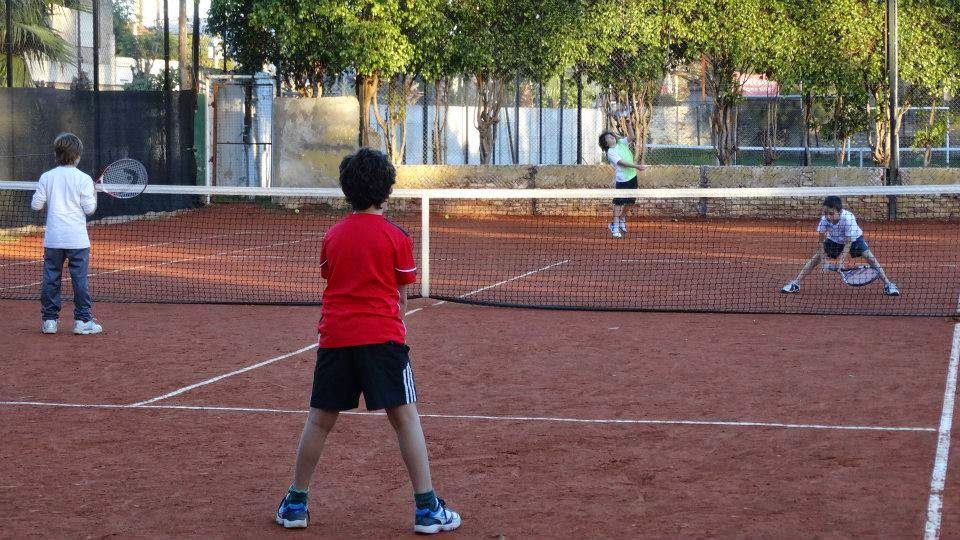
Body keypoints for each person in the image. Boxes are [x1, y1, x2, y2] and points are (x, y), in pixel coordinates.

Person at [275, 148, 461, 534]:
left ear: (347, 190)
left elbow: (332, 278)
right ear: (387, 189)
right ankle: (427, 509)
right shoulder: (397, 237)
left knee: (319, 421)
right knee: (405, 419)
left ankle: (296, 502)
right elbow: (402, 293)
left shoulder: (333, 235)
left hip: (336, 339)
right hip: (383, 341)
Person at [30, 133, 103, 335]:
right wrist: (94, 193)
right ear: (78, 155)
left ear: (57, 154)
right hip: (77, 240)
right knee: (79, 279)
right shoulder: (84, 179)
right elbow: (89, 209)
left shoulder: (47, 177)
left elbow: (36, 205)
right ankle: (83, 321)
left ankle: (50, 322)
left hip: (54, 239)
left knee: (50, 279)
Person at [781, 195, 900, 296]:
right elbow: (821, 242)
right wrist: (823, 260)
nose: (828, 217)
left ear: (840, 211)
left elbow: (848, 243)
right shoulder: (824, 220)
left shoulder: (848, 219)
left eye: (831, 214)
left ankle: (888, 284)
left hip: (854, 240)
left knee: (870, 258)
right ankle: (795, 284)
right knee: (815, 259)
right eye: (826, 213)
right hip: (834, 240)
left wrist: (841, 262)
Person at [598, 129, 645, 238]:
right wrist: (637, 166)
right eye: (609, 137)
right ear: (606, 143)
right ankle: (615, 225)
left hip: (632, 177)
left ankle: (622, 218)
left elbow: (632, 136)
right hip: (622, 179)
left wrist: (628, 124)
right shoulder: (610, 152)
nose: (612, 137)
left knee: (631, 201)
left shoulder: (621, 143)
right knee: (619, 203)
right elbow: (621, 163)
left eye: (612, 135)